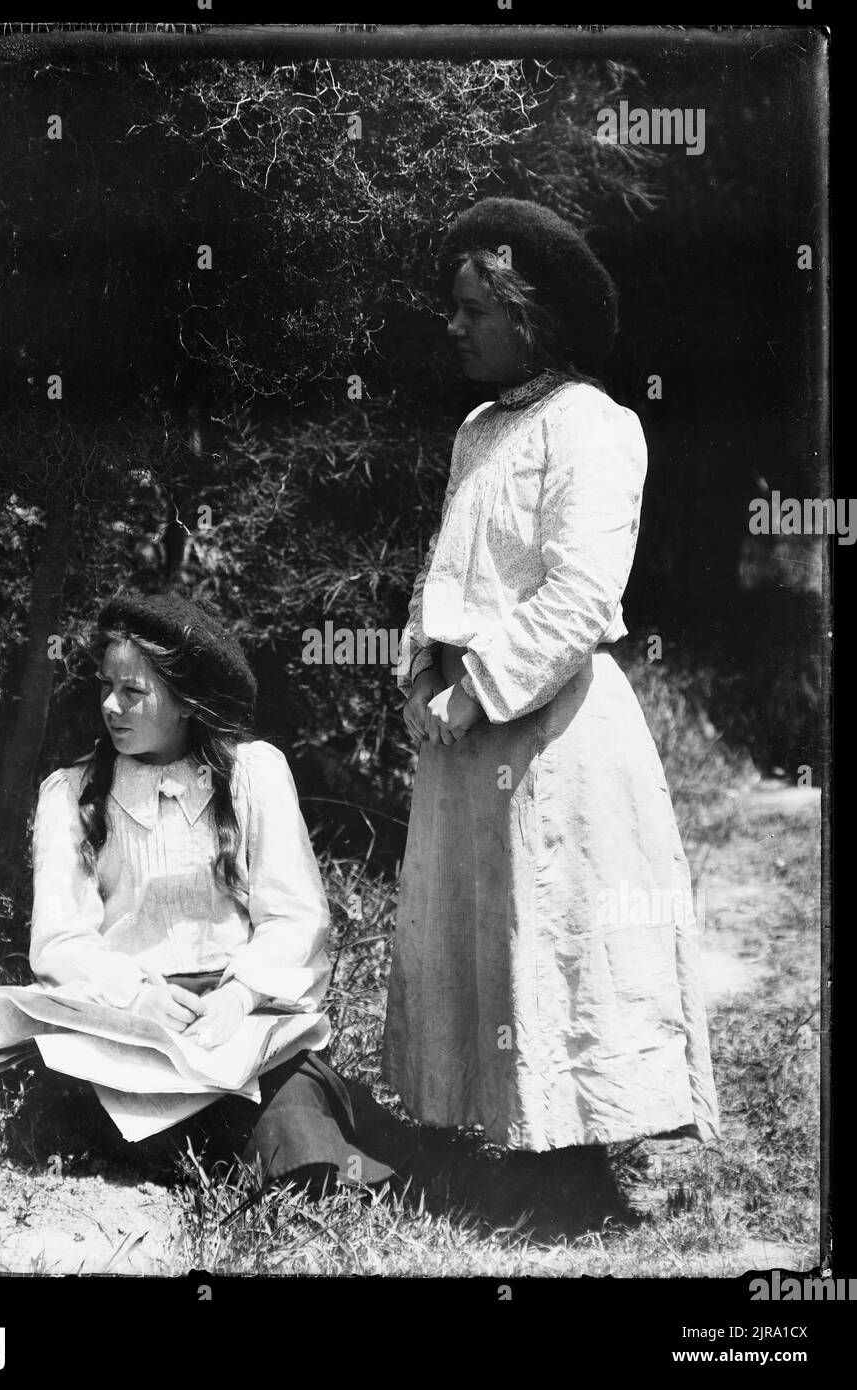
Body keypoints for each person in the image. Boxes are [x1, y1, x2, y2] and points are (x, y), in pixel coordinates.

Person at [382, 198, 720, 1214]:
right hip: (461, 729)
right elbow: (445, 570)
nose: (454, 325)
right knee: (473, 923)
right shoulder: (480, 430)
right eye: (453, 307)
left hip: (549, 730)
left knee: (552, 928)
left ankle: (571, 1167)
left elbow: (580, 595)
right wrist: (420, 674)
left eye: (473, 308)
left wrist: (480, 690)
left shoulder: (592, 426)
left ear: (531, 317)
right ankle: (493, 1138)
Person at [0, 590, 392, 1193]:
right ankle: (202, 1144)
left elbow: (296, 917)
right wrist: (135, 997)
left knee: (294, 1139)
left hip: (236, 1018)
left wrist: (240, 997)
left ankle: (279, 1137)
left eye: (133, 693)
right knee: (85, 1106)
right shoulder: (72, 794)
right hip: (127, 1019)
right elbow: (61, 940)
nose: (111, 705)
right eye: (105, 686)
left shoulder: (253, 775)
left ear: (185, 700)